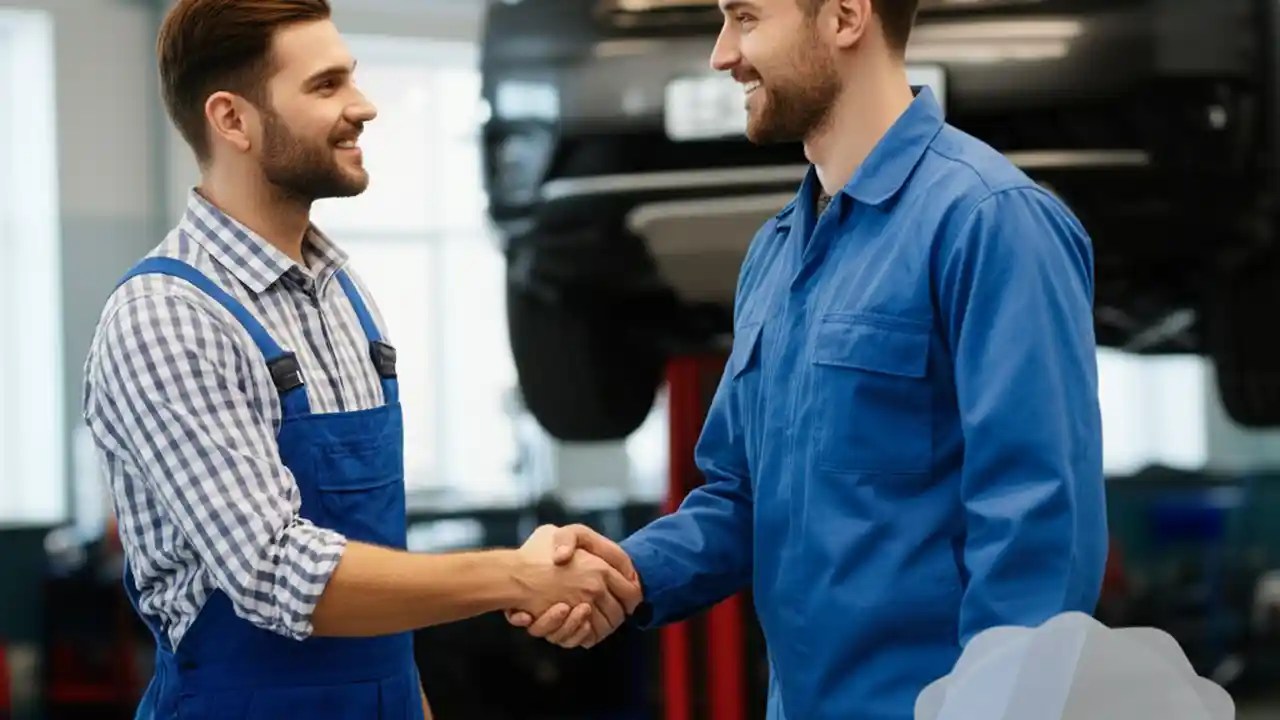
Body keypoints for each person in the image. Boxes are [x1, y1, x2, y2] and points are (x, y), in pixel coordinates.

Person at [507, 0, 1110, 717]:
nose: (722, 54)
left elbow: (1039, 526)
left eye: (746, 18)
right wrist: (631, 572)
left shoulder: (990, 220)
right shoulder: (776, 253)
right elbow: (742, 497)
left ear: (846, 17)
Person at [81, 2, 640, 718]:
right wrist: (515, 576)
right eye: (326, 86)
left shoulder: (344, 297)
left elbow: (376, 591)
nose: (363, 106)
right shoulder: (168, 317)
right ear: (232, 119)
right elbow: (274, 570)